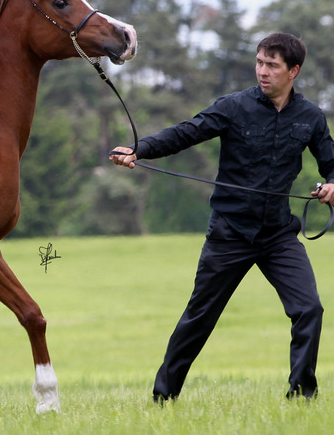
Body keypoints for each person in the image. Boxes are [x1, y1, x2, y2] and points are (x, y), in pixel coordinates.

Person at [109, 32, 334, 402]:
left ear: (293, 71)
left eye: (272, 65)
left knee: (310, 308)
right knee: (199, 319)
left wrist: (330, 186)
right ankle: (163, 397)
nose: (263, 71)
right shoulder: (233, 107)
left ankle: (302, 396)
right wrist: (139, 149)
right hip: (229, 234)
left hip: (278, 236)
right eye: (260, 62)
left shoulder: (310, 117)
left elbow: (331, 167)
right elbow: (185, 133)